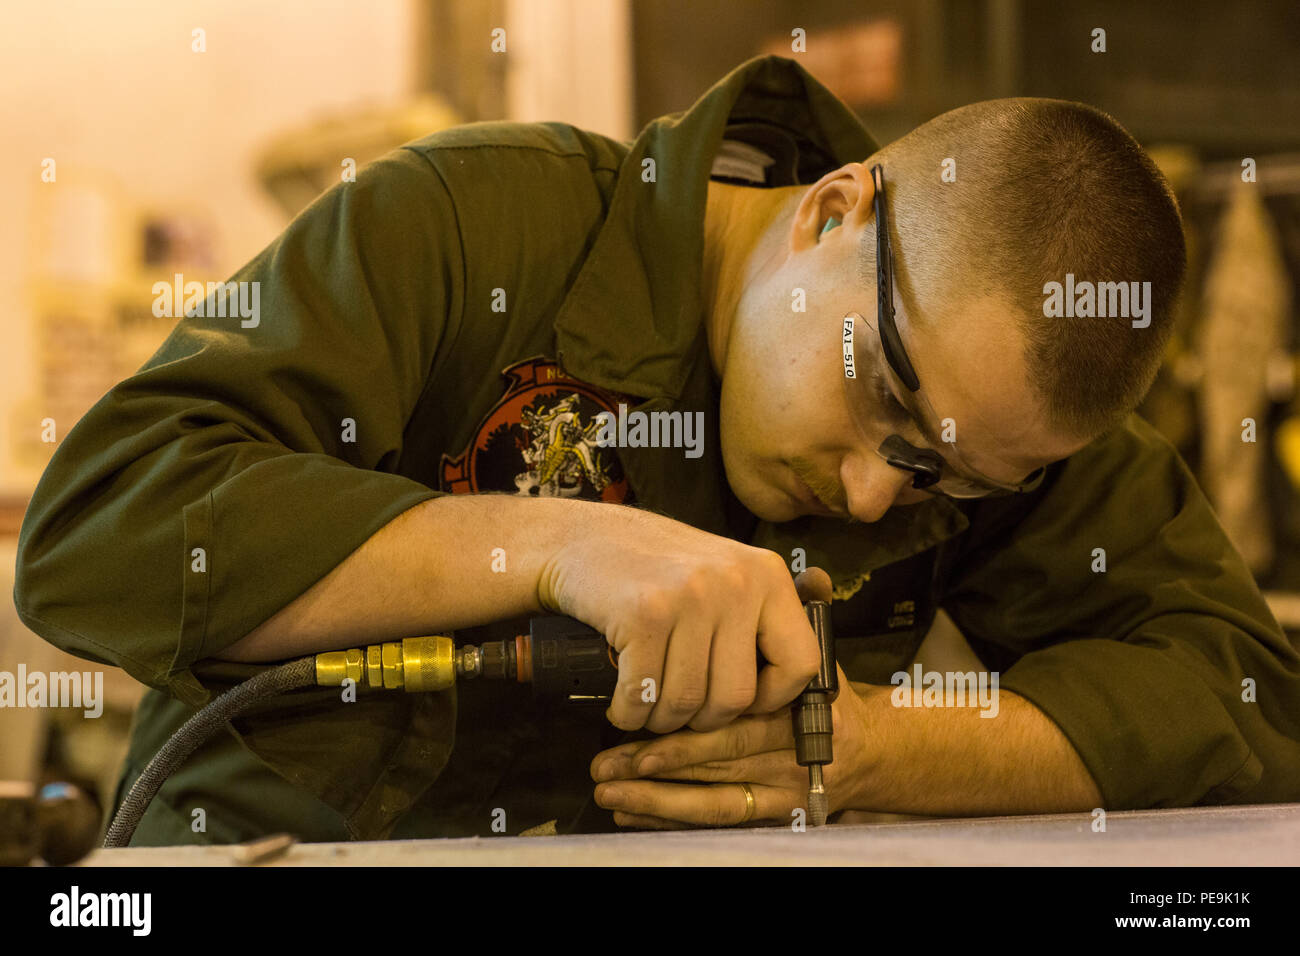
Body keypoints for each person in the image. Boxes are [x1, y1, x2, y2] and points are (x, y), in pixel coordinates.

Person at [15, 56, 1298, 844]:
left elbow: (1244, 694)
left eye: (942, 481)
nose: (868, 492)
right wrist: (554, 545)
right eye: (885, 408)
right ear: (832, 211)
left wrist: (878, 752)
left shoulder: (985, 402)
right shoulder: (474, 227)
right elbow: (104, 527)